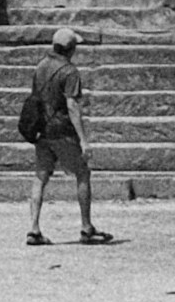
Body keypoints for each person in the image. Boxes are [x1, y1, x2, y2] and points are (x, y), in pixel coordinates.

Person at [20, 26, 109, 248]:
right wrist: (83, 139)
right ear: (70, 49)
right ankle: (86, 227)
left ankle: (34, 228)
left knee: (40, 176)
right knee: (82, 173)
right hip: (61, 130)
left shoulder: (40, 66)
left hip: (42, 130)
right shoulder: (70, 72)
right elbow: (72, 106)